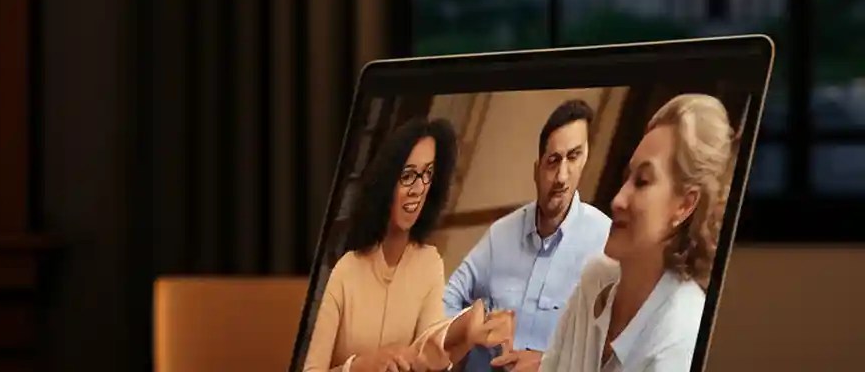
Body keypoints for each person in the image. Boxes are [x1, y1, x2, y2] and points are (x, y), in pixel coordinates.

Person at [490, 93, 739, 372]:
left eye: (642, 181)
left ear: (684, 205)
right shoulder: (595, 279)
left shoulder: (683, 335)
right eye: (626, 178)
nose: (618, 200)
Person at [303, 118, 516, 372]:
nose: (418, 188)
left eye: (427, 175)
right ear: (386, 184)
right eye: (408, 175)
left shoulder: (429, 263)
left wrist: (468, 325)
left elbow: (427, 352)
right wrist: (357, 367)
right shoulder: (346, 271)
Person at [442, 99, 612, 372]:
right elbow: (447, 299)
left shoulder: (606, 244)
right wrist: (471, 333)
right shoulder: (501, 235)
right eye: (553, 161)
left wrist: (551, 363)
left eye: (573, 157)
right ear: (537, 170)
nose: (562, 176)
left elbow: (615, 349)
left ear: (585, 159)